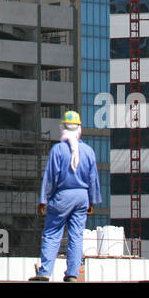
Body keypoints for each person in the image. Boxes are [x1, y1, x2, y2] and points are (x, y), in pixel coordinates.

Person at [33, 110, 101, 281]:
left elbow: (50, 177)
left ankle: (45, 272)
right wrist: (92, 201)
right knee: (76, 236)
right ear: (79, 129)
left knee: (52, 233)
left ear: (62, 128)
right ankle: (72, 273)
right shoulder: (88, 151)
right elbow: (93, 179)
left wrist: (43, 200)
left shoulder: (58, 150)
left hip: (62, 197)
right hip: (82, 197)